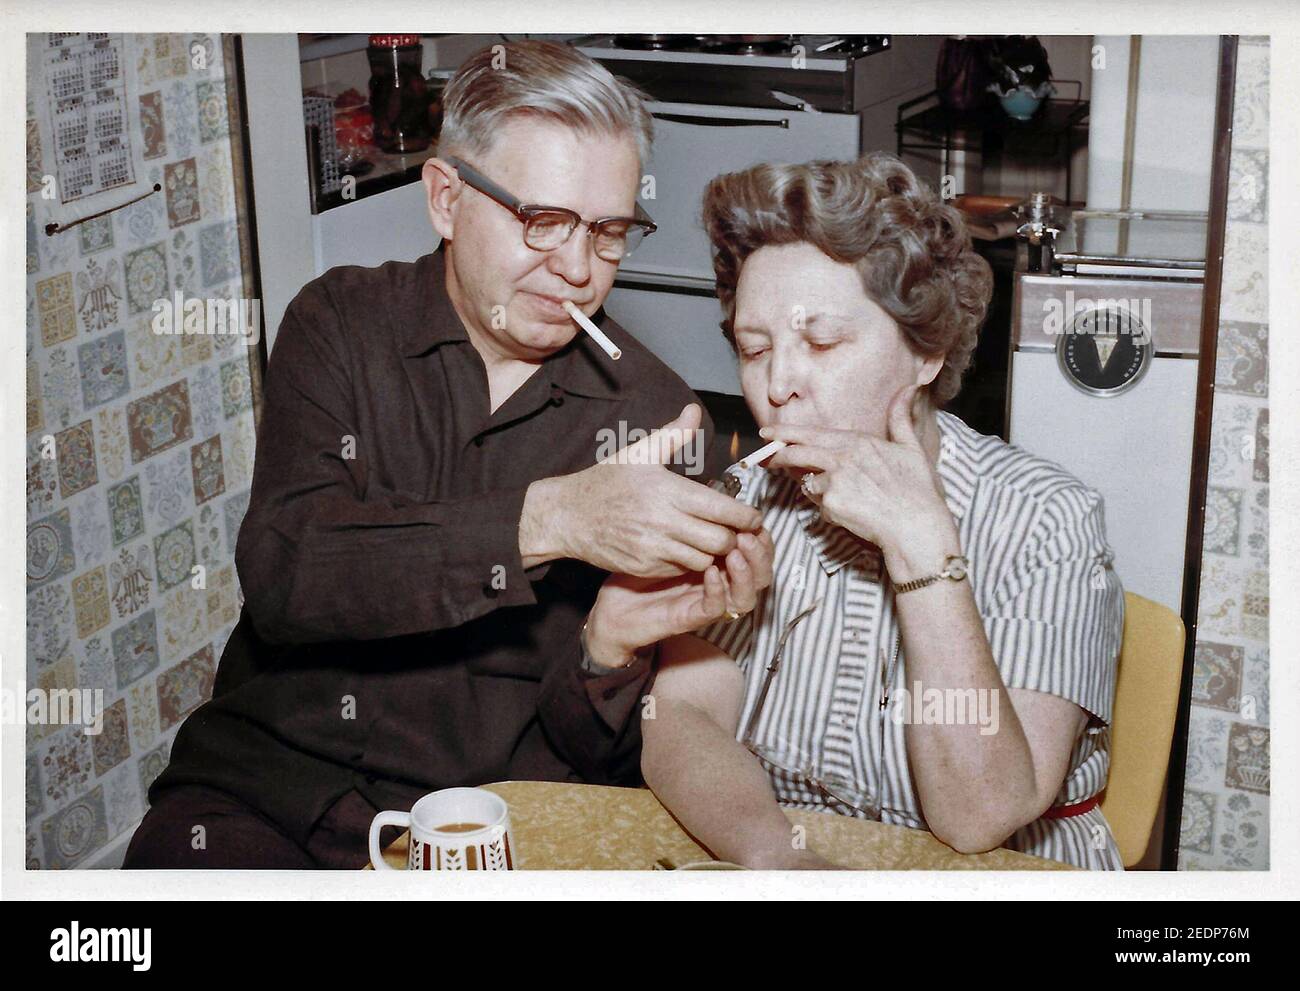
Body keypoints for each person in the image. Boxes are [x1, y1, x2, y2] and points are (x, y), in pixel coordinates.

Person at [124, 40, 770, 870]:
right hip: (267, 792)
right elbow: (287, 573)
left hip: (490, 823)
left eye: (609, 232)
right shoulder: (339, 324)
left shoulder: (654, 418)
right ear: (445, 198)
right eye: (542, 221)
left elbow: (600, 761)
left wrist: (604, 653)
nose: (579, 270)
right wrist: (549, 519)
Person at [590, 152, 1126, 870]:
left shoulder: (1047, 520)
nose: (778, 384)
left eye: (822, 342)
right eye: (754, 349)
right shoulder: (748, 494)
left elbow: (979, 816)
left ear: (927, 351)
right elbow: (682, 718)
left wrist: (921, 548)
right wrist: (778, 857)